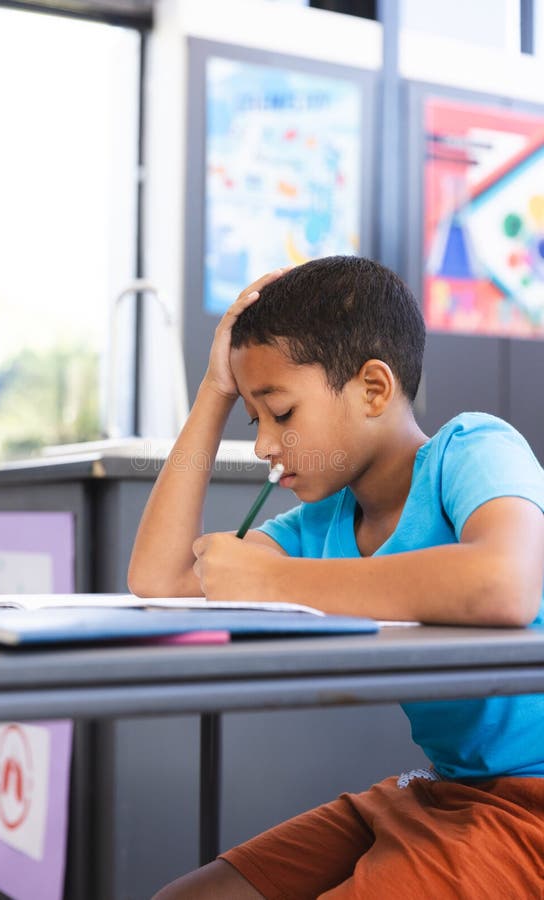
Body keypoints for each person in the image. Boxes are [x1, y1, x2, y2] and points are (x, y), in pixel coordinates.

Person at [128, 256, 544, 899]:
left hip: (530, 805)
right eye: (253, 420)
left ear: (374, 389)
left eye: (282, 414)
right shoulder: (323, 522)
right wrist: (215, 391)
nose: (264, 446)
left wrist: (273, 582)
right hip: (442, 791)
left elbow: (504, 584)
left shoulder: (473, 449)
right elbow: (161, 578)